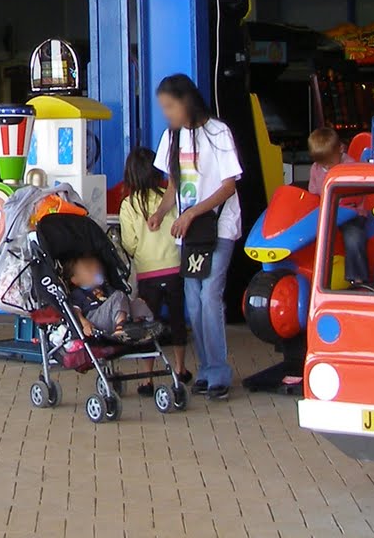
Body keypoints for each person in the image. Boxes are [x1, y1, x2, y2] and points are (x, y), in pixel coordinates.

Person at [148, 74, 241, 400]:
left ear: (186, 101)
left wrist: (191, 213)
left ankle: (218, 371)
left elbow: (228, 186)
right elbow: (173, 184)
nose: (167, 113)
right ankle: (205, 369)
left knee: (209, 297)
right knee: (193, 302)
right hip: (189, 234)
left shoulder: (218, 132)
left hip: (218, 227)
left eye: (170, 106)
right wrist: (161, 212)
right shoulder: (172, 137)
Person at [119, 147, 190, 391]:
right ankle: (180, 368)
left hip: (147, 274)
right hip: (174, 270)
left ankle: (148, 378)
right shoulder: (169, 197)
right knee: (178, 321)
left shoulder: (129, 205)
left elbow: (129, 244)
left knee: (147, 325)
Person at [308, 126, 370, 285]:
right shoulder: (315, 169)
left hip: (351, 213)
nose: (327, 167)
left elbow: (358, 193)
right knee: (310, 236)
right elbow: (314, 193)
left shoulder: (350, 166)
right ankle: (315, 276)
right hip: (328, 213)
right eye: (323, 164)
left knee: (353, 237)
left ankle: (357, 278)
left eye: (330, 162)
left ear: (340, 150)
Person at [64, 253, 153, 338]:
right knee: (118, 295)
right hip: (95, 320)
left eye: (96, 267)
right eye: (89, 269)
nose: (95, 270)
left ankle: (138, 324)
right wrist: (85, 324)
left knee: (137, 302)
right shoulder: (78, 293)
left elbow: (121, 303)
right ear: (75, 280)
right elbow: (75, 312)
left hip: (112, 315)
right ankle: (121, 326)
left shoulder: (105, 287)